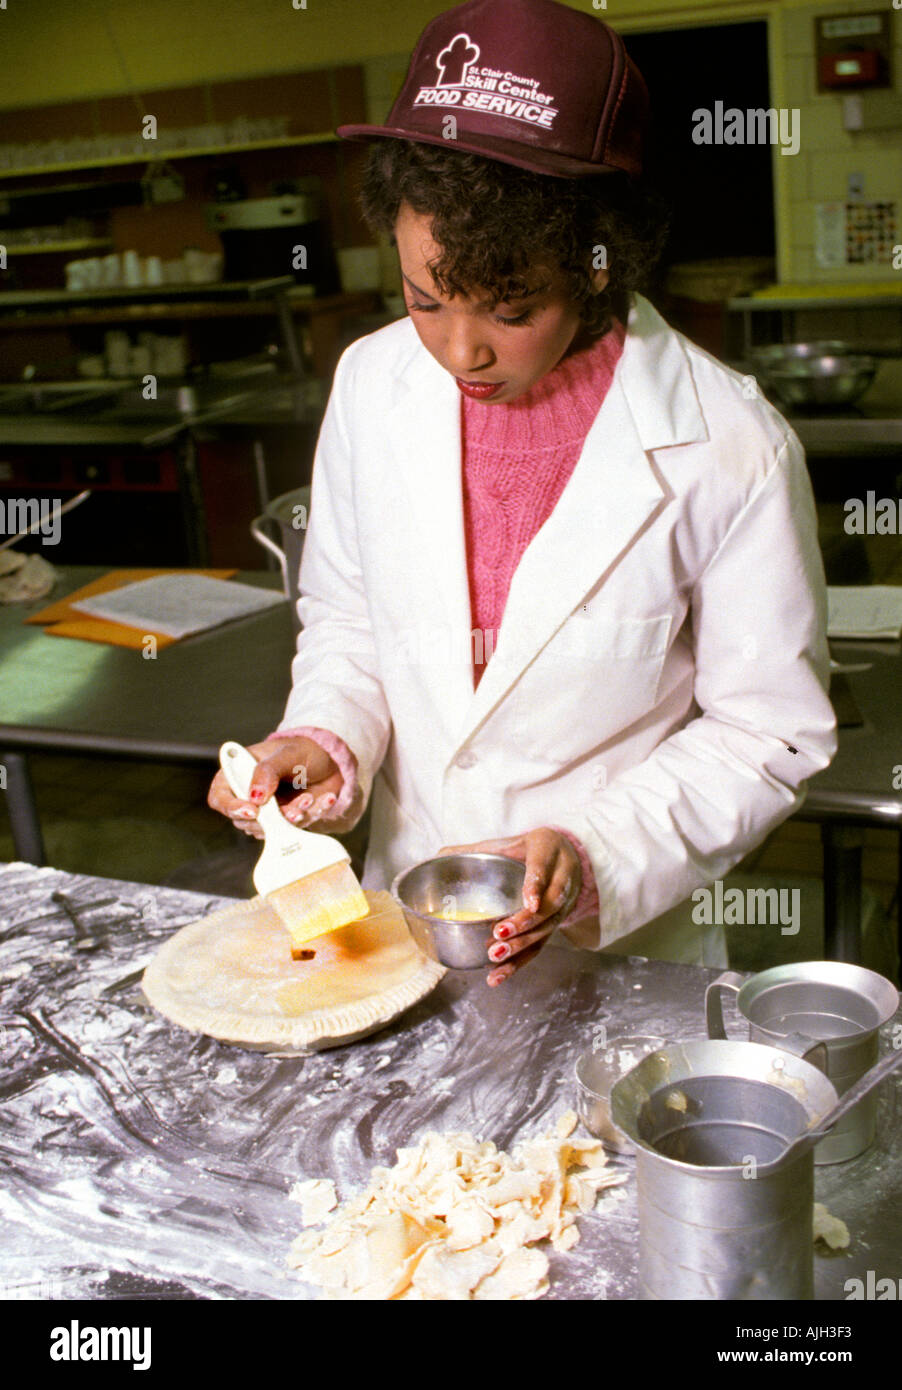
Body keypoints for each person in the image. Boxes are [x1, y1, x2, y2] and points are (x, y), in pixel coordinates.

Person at [208, 0, 836, 985]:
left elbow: (766, 729)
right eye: (425, 298)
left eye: (511, 308)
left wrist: (590, 856)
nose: (460, 351)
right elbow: (350, 620)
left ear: (597, 265)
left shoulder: (728, 444)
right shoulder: (373, 384)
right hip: (401, 923)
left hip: (621, 948)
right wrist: (326, 735)